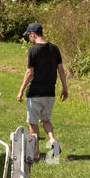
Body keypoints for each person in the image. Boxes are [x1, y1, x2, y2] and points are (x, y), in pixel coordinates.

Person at [15, 22, 69, 160]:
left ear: (33, 34)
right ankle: (52, 140)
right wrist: (65, 87)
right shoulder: (54, 48)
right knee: (46, 120)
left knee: (33, 123)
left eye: (28, 35)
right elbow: (61, 70)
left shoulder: (33, 50)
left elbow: (29, 73)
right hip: (50, 92)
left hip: (35, 93)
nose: (28, 38)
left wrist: (21, 90)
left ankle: (35, 154)